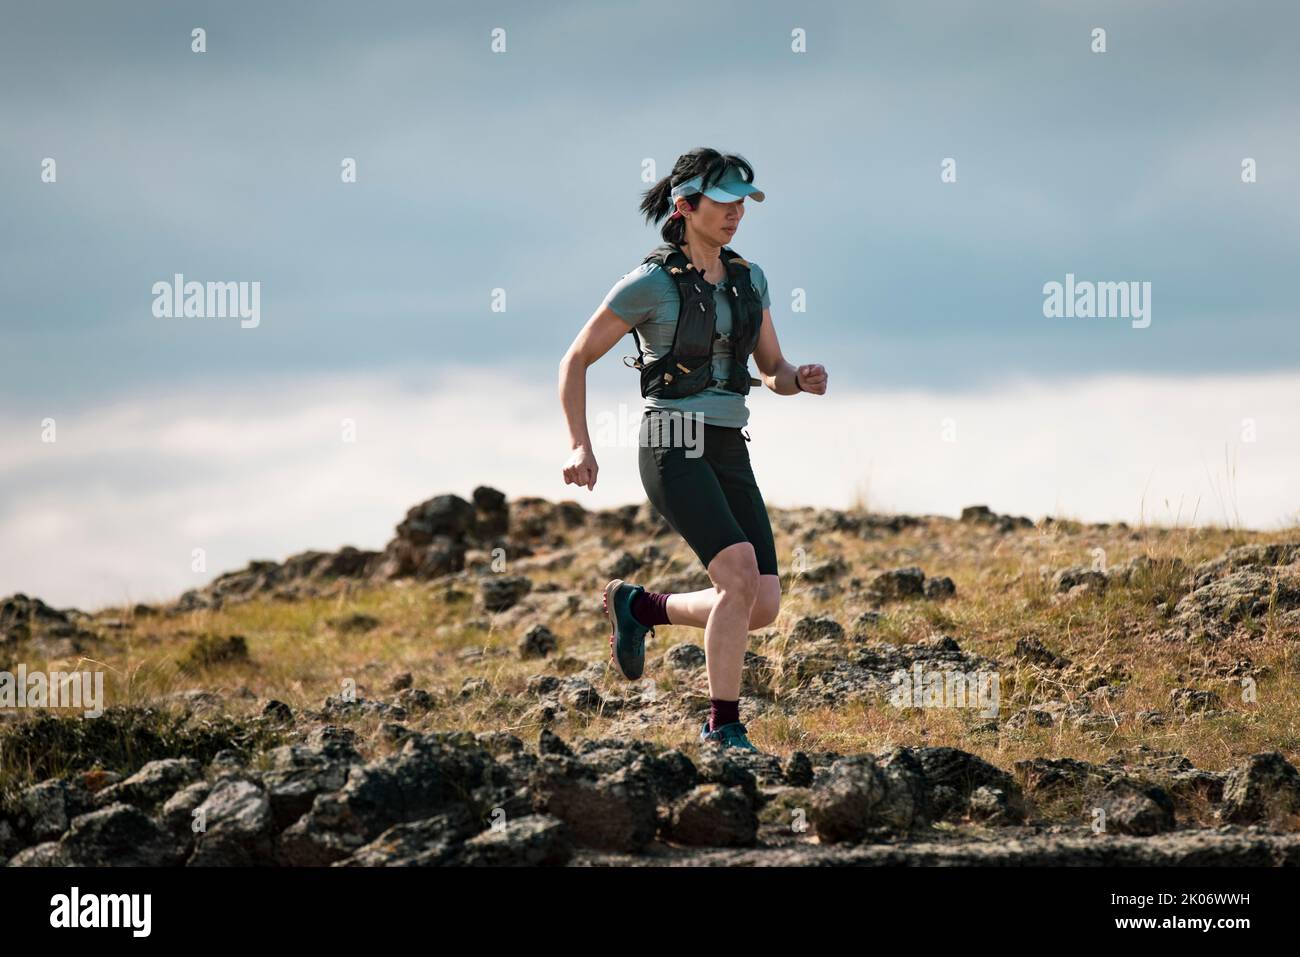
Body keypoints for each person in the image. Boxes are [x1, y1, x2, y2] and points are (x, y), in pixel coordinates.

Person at [558, 147, 828, 752]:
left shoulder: (749, 278)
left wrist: (797, 379)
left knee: (761, 603)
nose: (736, 214)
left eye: (742, 204)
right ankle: (722, 726)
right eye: (724, 203)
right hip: (671, 441)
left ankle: (640, 607)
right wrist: (581, 444)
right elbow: (574, 358)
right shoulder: (649, 284)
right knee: (736, 578)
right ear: (686, 206)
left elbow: (772, 367)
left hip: (730, 444)